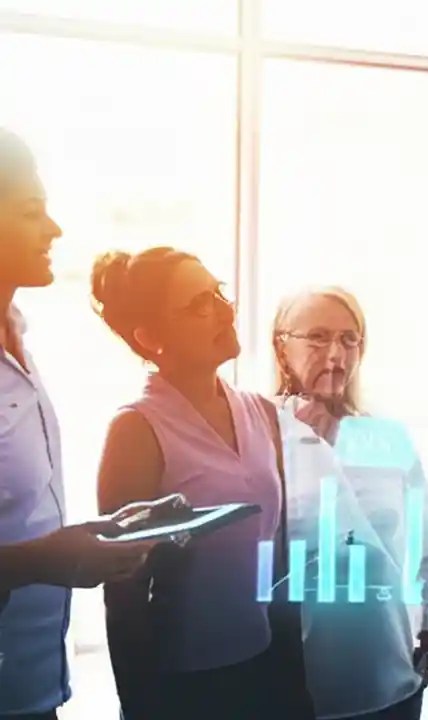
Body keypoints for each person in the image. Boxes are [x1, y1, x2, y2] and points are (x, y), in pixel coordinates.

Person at [93, 247, 313, 719]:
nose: (224, 309)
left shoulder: (261, 413)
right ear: (151, 337)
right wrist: (141, 708)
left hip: (264, 670)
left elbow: (278, 561)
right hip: (184, 689)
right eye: (199, 303)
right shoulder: (137, 430)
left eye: (219, 293)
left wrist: (295, 686)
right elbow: (124, 594)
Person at [0, 127, 167, 719]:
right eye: (30, 213)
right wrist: (45, 559)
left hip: (32, 684)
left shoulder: (19, 337)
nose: (55, 230)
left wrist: (86, 537)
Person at [271, 286, 428, 720]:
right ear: (282, 346)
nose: (336, 353)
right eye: (317, 337)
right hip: (288, 675)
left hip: (388, 668)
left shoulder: (386, 438)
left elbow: (427, 542)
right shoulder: (260, 428)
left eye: (350, 340)